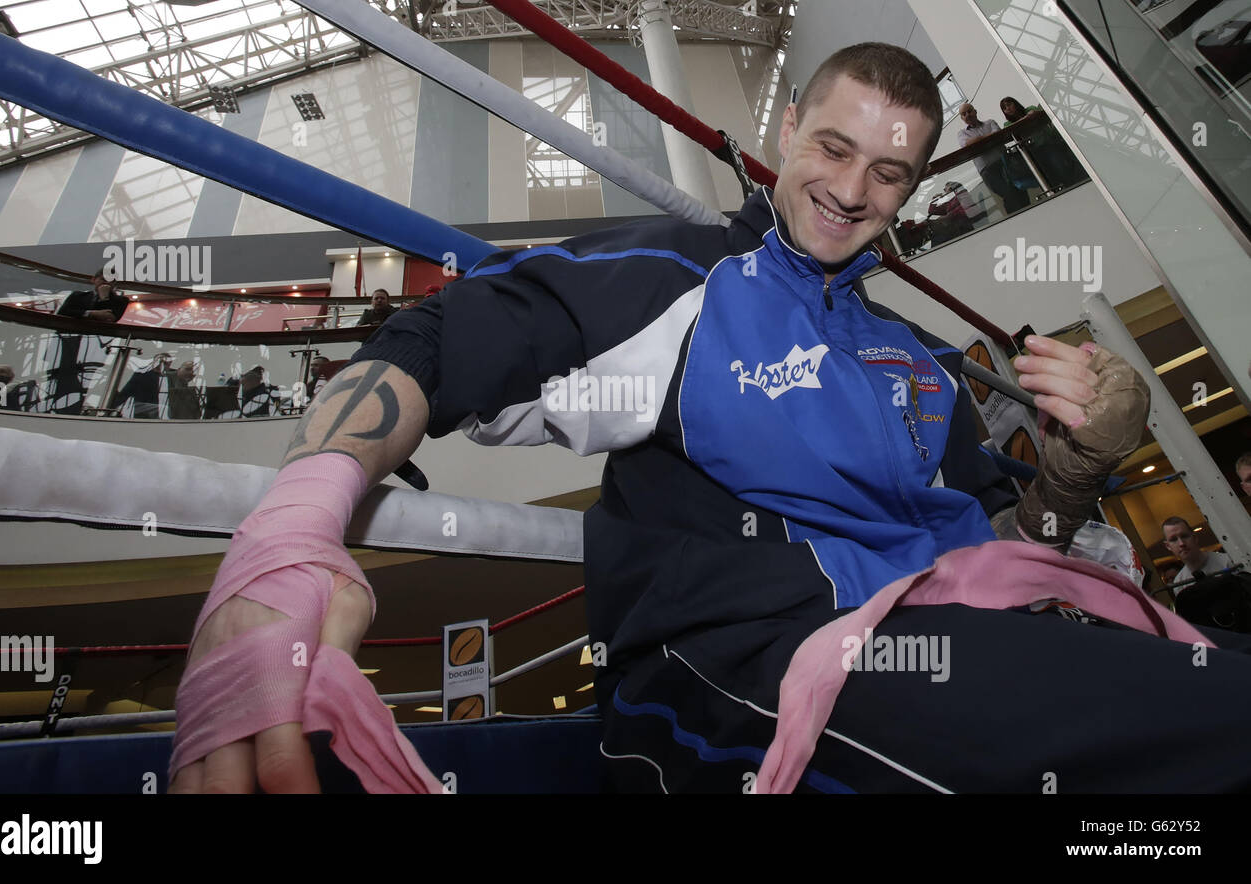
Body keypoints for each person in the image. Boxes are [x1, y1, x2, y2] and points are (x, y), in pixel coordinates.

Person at [170, 43, 1251, 795]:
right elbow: (432, 343)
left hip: (972, 634)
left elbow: (1016, 547)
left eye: (887, 171)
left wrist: (1076, 470)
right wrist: (285, 542)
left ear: (911, 187)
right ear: (785, 130)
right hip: (760, 667)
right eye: (829, 147)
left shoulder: (916, 358)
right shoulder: (674, 279)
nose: (848, 189)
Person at [46, 271, 130, 414]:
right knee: (57, 378)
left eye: (110, 281)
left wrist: (104, 298)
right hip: (67, 345)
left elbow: (110, 318)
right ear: (93, 279)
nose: (106, 283)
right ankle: (53, 407)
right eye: (103, 279)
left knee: (85, 382)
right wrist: (92, 314)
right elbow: (63, 313)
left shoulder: (121, 301)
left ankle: (77, 409)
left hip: (95, 349)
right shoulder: (77, 296)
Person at [997, 96, 1085, 193]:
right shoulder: (1007, 124)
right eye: (1004, 108)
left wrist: (1034, 114)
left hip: (1048, 144)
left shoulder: (1030, 109)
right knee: (1048, 173)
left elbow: (1043, 112)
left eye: (1009, 105)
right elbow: (1011, 129)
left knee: (1060, 165)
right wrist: (1027, 118)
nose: (1008, 109)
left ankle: (1073, 184)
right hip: (1033, 153)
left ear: (1015, 103)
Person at [957, 102, 1028, 215]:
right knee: (1007, 193)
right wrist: (988, 138)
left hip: (1005, 162)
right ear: (962, 118)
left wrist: (979, 141)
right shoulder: (961, 133)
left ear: (975, 111)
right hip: (987, 169)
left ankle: (1029, 212)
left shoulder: (990, 122)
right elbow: (968, 144)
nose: (967, 115)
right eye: (963, 114)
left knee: (1019, 188)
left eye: (969, 111)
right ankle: (1018, 218)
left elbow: (998, 135)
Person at [1162, 516, 1233, 592]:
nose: (1181, 543)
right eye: (1174, 539)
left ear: (1194, 537)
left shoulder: (1227, 561)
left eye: (1184, 536)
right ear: (1168, 546)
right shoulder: (1179, 584)